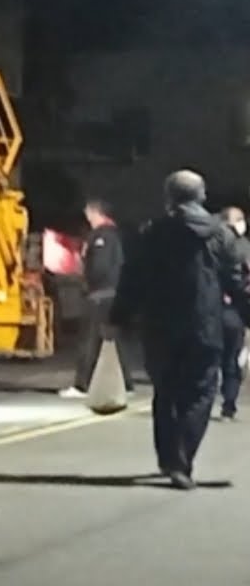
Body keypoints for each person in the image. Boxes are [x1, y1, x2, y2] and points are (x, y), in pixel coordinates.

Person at [107, 170, 250, 490]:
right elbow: (237, 281)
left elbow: (133, 279)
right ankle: (182, 458)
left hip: (160, 326)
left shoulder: (152, 232)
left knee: (166, 392)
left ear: (169, 198)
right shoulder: (220, 235)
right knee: (200, 392)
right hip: (205, 325)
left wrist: (118, 317)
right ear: (202, 196)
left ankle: (169, 456)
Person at [60, 198, 133, 399]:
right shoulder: (117, 235)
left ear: (96, 213)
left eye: (89, 214)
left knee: (88, 340)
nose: (87, 218)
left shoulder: (101, 236)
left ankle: (82, 385)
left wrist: (85, 277)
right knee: (113, 340)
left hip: (99, 295)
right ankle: (126, 383)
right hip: (113, 294)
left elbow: (100, 267)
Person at [215, 206, 250, 420]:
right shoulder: (244, 247)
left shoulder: (209, 244)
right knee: (231, 359)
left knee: (210, 360)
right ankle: (229, 404)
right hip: (233, 310)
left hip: (210, 310)